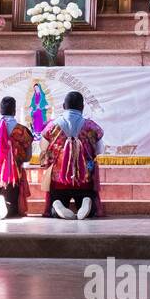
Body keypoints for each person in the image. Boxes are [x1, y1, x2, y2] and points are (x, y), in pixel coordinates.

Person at [39, 90, 104, 220]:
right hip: (84, 178)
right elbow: (99, 150)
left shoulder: (52, 126)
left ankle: (57, 205)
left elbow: (43, 148)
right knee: (89, 206)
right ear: (82, 107)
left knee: (56, 201)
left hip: (59, 179)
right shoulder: (91, 126)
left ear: (64, 106)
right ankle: (86, 201)